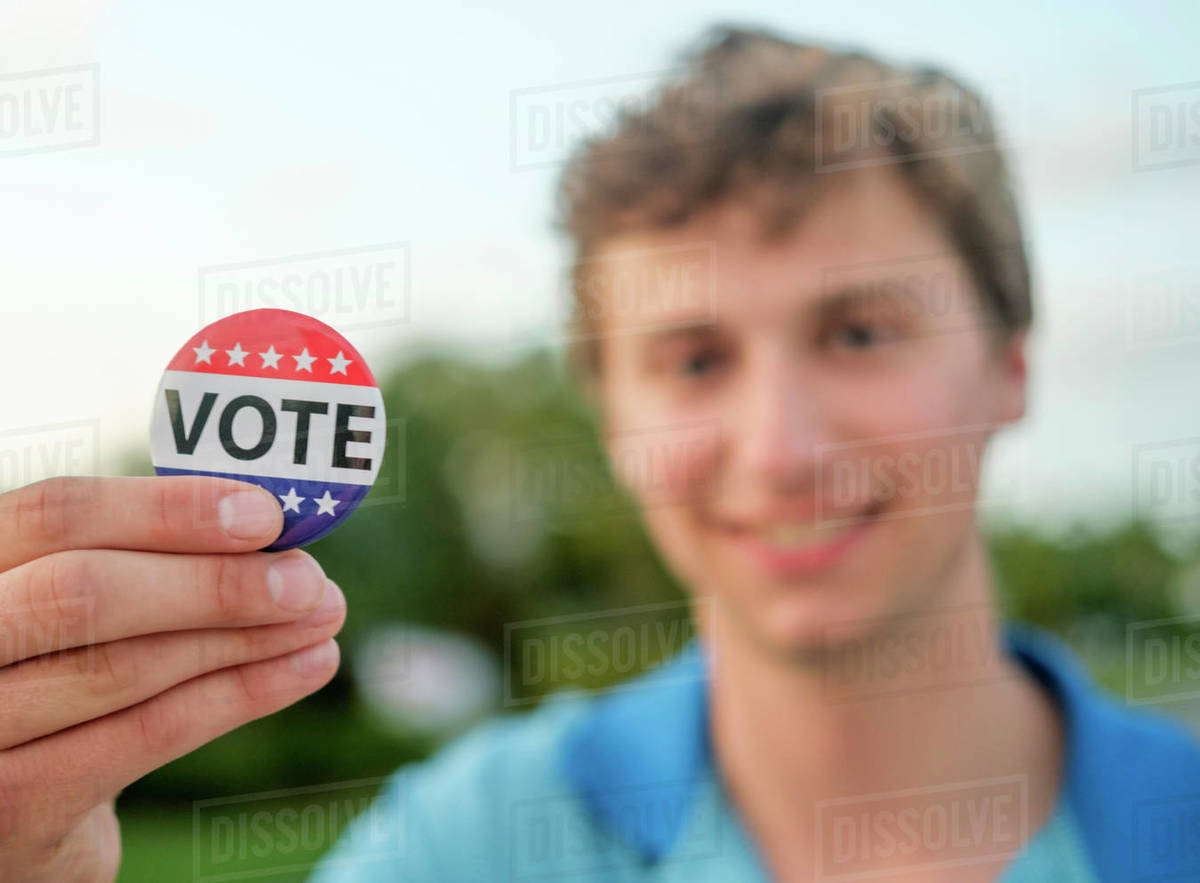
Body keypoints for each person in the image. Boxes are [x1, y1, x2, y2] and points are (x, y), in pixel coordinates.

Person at [0, 24, 1195, 883]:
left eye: (862, 331)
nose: (779, 449)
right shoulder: (463, 843)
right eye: (692, 358)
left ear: (1013, 364)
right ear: (614, 420)